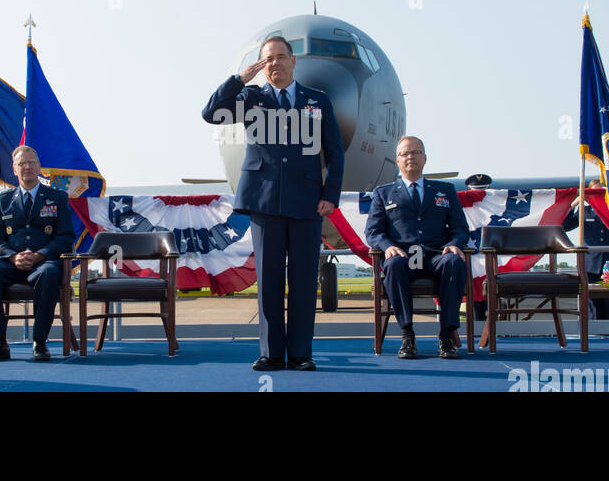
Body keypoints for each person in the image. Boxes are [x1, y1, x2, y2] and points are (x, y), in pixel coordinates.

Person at [201, 36, 344, 371]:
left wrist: (330, 195)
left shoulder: (317, 101)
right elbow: (210, 113)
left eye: (281, 57)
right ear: (262, 66)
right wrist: (239, 79)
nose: (275, 64)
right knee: (268, 281)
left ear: (294, 62)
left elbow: (334, 152)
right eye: (268, 60)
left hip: (308, 202)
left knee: (304, 281)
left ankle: (300, 353)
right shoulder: (250, 98)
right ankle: (270, 352)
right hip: (264, 202)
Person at [364, 136, 469, 359]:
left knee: (455, 261)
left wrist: (454, 244)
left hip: (435, 256)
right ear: (397, 160)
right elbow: (373, 232)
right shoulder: (383, 194)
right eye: (405, 153)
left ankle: (446, 335)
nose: (410, 157)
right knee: (392, 264)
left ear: (425, 158)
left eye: (415, 152)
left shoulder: (445, 191)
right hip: (403, 256)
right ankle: (407, 336)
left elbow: (460, 228)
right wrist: (387, 246)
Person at [0, 146, 75, 362]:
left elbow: (66, 237)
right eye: (22, 163)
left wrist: (40, 255)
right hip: (10, 263)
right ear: (14, 169)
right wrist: (13, 256)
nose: (27, 167)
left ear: (39, 167)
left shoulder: (57, 198)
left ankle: (39, 342)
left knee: (49, 274)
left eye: (31, 162)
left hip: (43, 263)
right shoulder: (3, 200)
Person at [561, 182, 609, 321]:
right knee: (592, 308)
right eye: (593, 192)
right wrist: (577, 201)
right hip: (590, 267)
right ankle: (593, 338)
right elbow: (562, 224)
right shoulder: (584, 211)